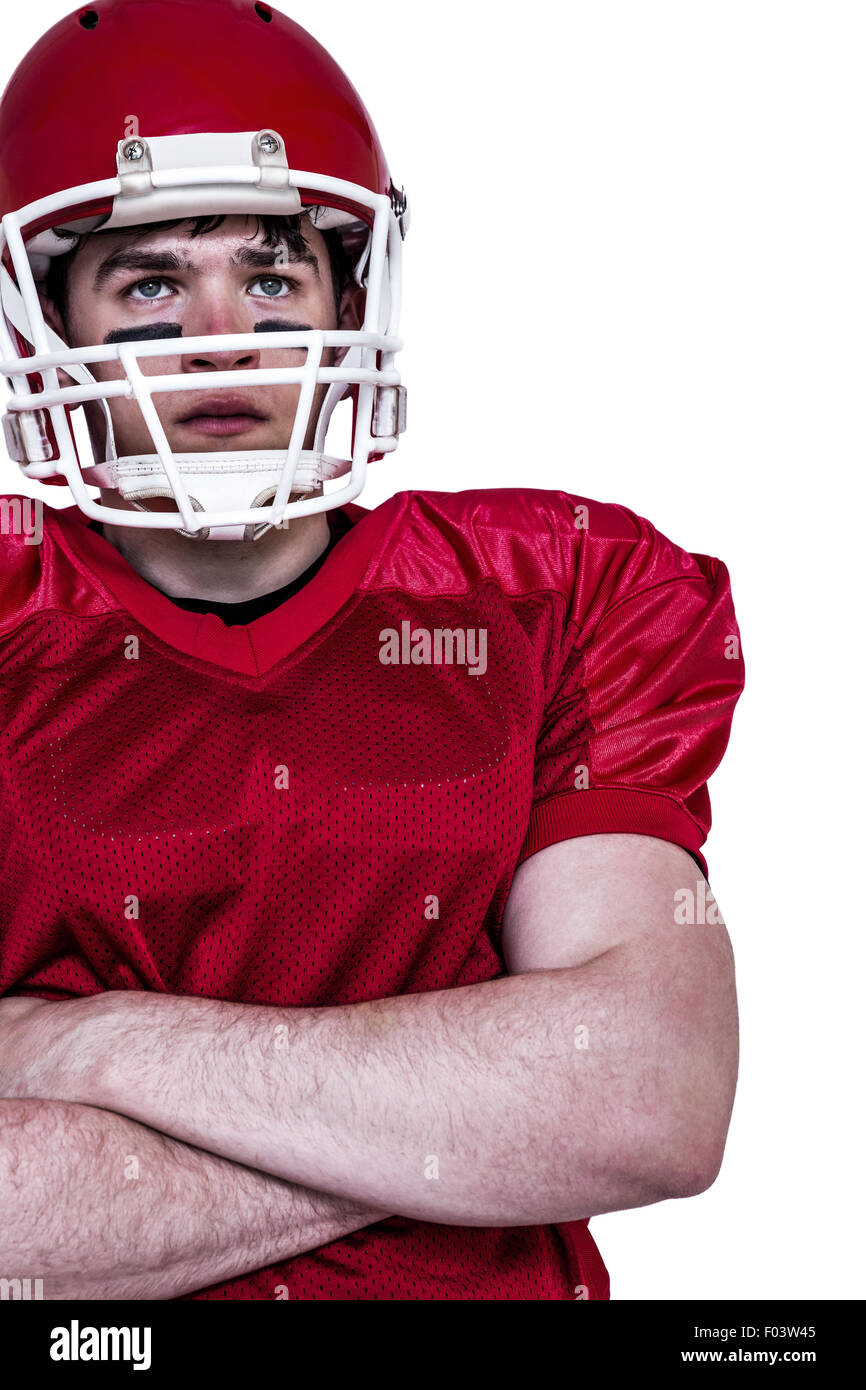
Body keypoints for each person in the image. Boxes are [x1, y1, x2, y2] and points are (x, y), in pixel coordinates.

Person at [0, 0, 745, 1301]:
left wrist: (92, 1049)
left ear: (352, 288)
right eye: (152, 280)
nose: (222, 331)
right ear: (47, 318)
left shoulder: (561, 586)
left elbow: (642, 1097)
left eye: (271, 274)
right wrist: (483, 1121)